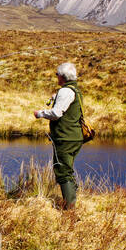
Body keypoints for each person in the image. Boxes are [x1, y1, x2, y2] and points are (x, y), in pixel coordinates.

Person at [33, 62, 84, 209]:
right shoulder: (75, 90)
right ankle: (72, 200)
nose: (56, 77)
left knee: (62, 171)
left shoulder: (66, 92)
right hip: (74, 137)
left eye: (57, 74)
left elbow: (56, 113)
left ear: (62, 76)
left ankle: (69, 208)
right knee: (67, 169)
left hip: (65, 138)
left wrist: (40, 114)